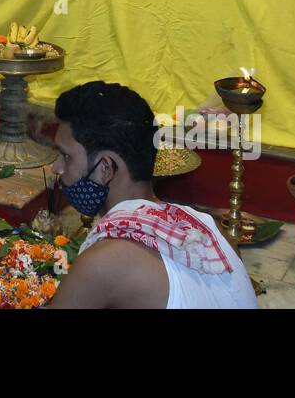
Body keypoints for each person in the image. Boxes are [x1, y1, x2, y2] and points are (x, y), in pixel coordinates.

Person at [47, 82, 256, 309]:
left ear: (105, 168)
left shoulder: (103, 263)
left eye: (66, 156)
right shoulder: (213, 231)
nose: (56, 168)